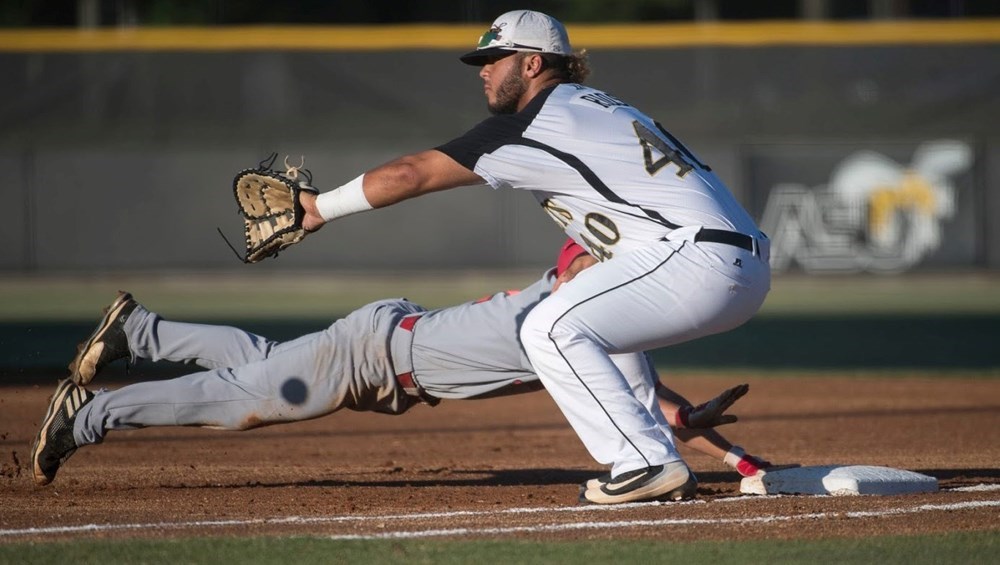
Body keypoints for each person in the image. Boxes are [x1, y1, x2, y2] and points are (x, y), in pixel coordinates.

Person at [293, 10, 771, 504]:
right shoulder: (604, 108)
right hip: (730, 260)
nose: (483, 70)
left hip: (697, 259)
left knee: (548, 328)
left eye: (494, 59)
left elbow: (412, 173)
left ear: (531, 63)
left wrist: (318, 209)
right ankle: (655, 460)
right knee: (598, 330)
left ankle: (644, 462)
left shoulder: (539, 121)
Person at [31, 241, 781, 493]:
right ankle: (87, 415)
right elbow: (644, 397)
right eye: (591, 258)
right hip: (373, 359)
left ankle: (138, 329)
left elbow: (647, 396)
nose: (599, 265)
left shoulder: (584, 317)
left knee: (257, 364)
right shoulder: (568, 310)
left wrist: (707, 434)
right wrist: (736, 456)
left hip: (386, 343)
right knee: (239, 399)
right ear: (572, 268)